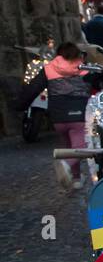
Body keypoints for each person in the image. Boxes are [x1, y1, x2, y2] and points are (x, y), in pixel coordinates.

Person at [15, 42, 91, 189]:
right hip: (79, 115)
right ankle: (66, 165)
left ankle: (75, 179)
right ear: (77, 54)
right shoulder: (85, 68)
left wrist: (20, 106)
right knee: (81, 146)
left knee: (68, 147)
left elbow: (33, 88)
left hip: (58, 118)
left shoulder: (49, 68)